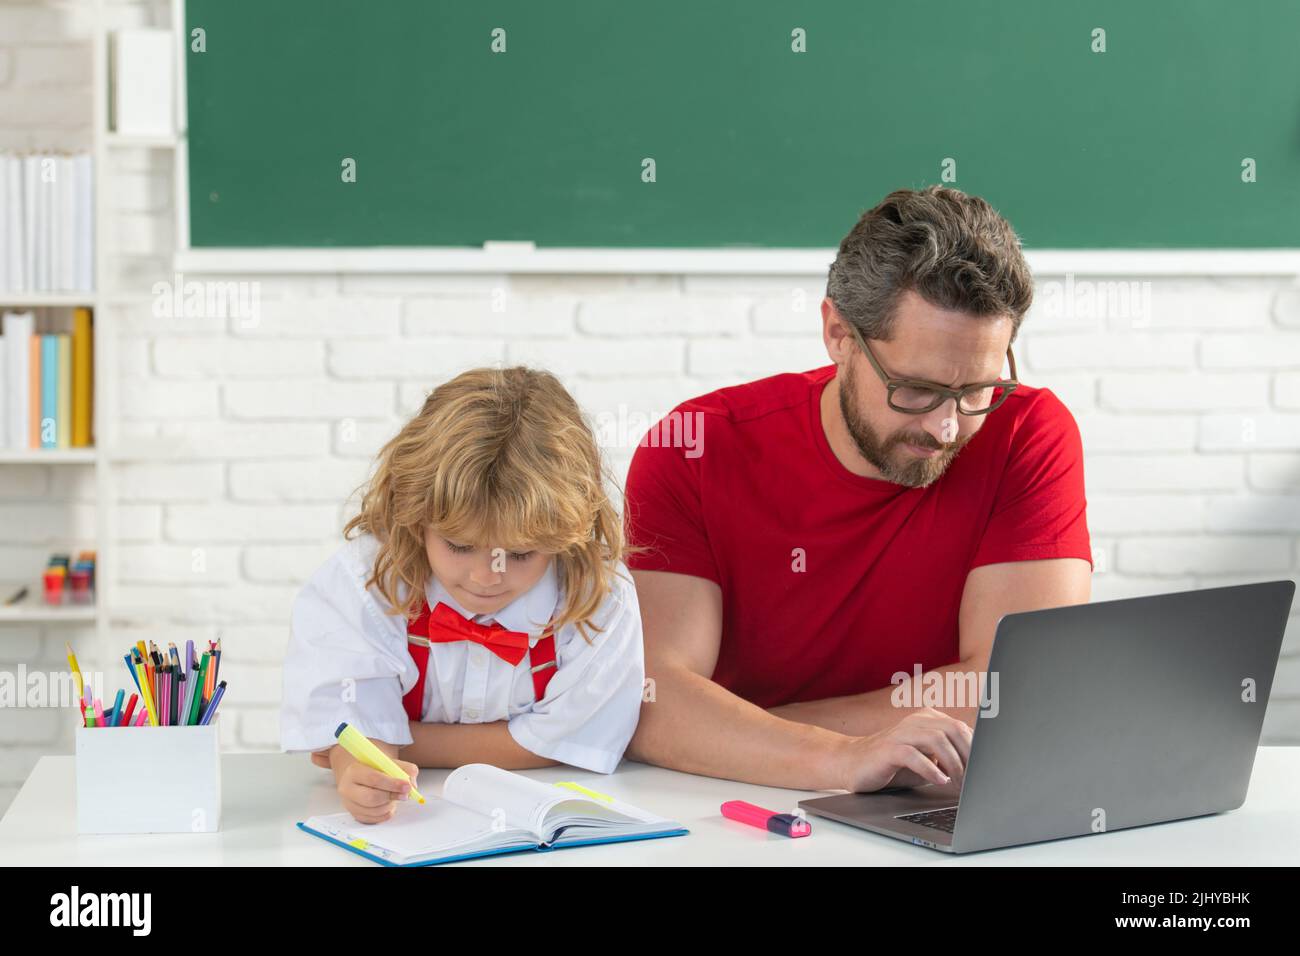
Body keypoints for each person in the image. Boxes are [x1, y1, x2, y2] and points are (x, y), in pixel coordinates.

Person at [624, 185, 1093, 792]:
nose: (947, 427)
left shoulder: (1027, 432)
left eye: (978, 389)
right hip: (732, 798)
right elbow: (653, 701)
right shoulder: (693, 447)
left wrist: (747, 734)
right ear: (838, 334)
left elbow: (1022, 690)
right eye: (916, 389)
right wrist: (843, 757)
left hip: (908, 793)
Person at [281, 367, 645, 823]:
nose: (486, 576)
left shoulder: (598, 596)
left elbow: (574, 743)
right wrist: (360, 771)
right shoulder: (366, 579)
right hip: (417, 821)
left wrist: (399, 738)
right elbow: (353, 726)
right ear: (415, 516)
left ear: (567, 532)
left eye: (519, 553)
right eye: (459, 546)